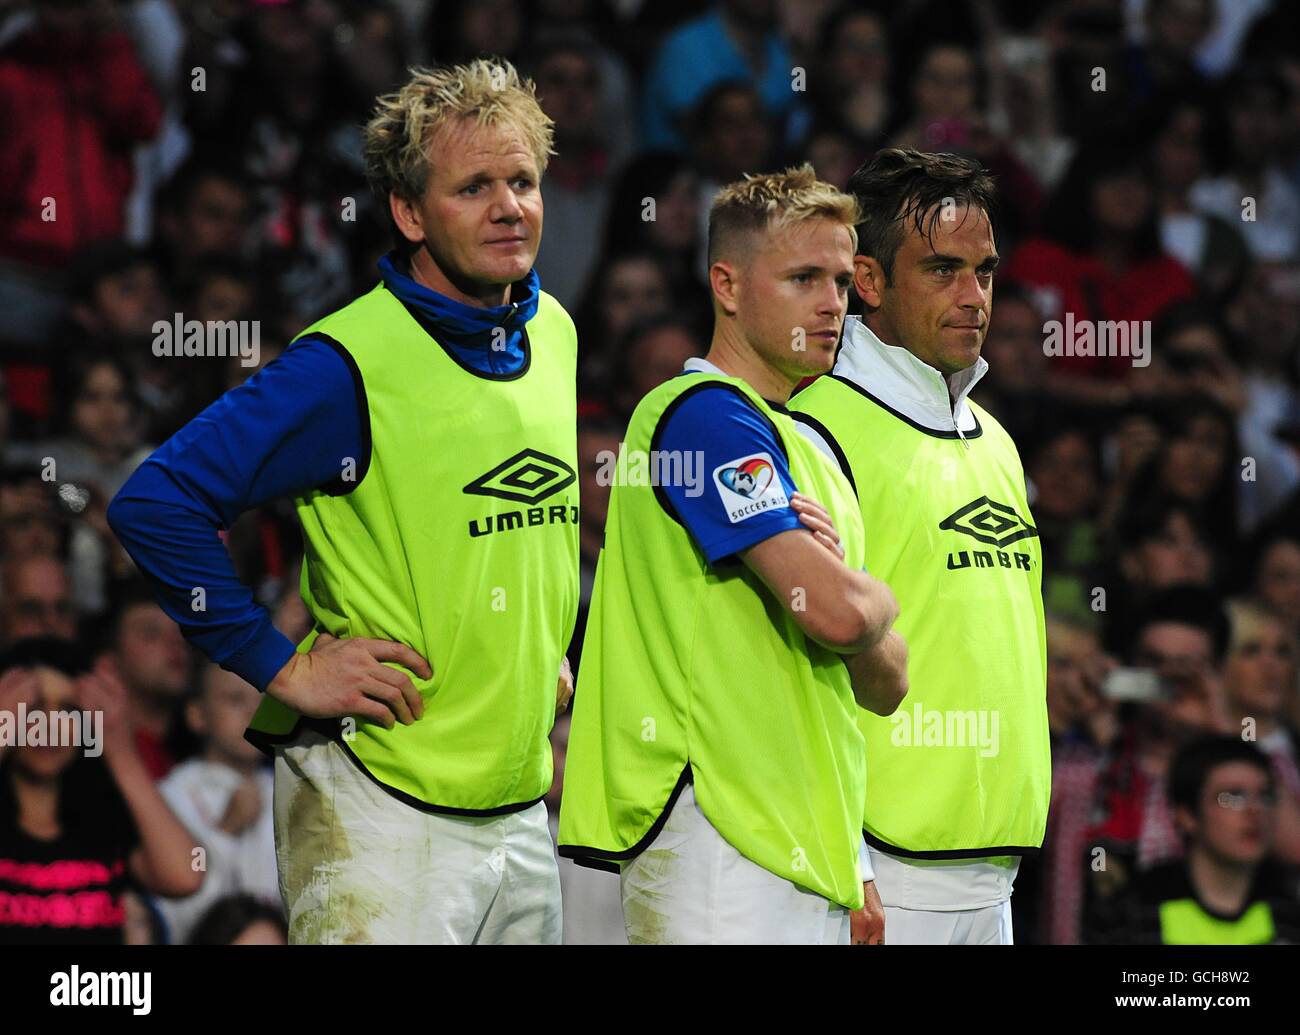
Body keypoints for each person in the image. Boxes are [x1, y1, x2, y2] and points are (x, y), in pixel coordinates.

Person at [108, 59, 579, 944]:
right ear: (409, 213)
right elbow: (154, 501)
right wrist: (281, 667)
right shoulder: (344, 364)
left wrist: (530, 651)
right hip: (377, 802)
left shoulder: (554, 330)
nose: (509, 206)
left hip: (518, 800)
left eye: (522, 181)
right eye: (473, 186)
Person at [559, 165, 906, 945]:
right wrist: (870, 596)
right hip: (712, 834)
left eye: (844, 282)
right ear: (727, 283)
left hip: (804, 842)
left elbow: (887, 684)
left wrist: (848, 856)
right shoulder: (701, 416)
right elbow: (840, 614)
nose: (832, 305)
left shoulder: (812, 449)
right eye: (803, 278)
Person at [790, 148, 1050, 944]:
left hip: (994, 867)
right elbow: (794, 666)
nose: (975, 297)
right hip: (879, 876)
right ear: (869, 281)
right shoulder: (814, 427)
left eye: (985, 270)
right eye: (943, 270)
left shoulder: (997, 439)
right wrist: (850, 853)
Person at [0, 638, 202, 944]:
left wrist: (118, 747)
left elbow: (186, 873)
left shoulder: (103, 819)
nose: (50, 726)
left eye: (68, 710)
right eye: (32, 708)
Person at [1087, 736, 1300, 944]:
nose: (1255, 811)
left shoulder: (1289, 913)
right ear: (1187, 815)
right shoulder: (1130, 914)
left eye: (1265, 796)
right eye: (1232, 797)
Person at [155, 663, 279, 944]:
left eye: (264, 698)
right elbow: (179, 917)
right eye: (235, 699)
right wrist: (225, 831)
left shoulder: (286, 791)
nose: (254, 710)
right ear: (197, 714)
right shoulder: (171, 796)